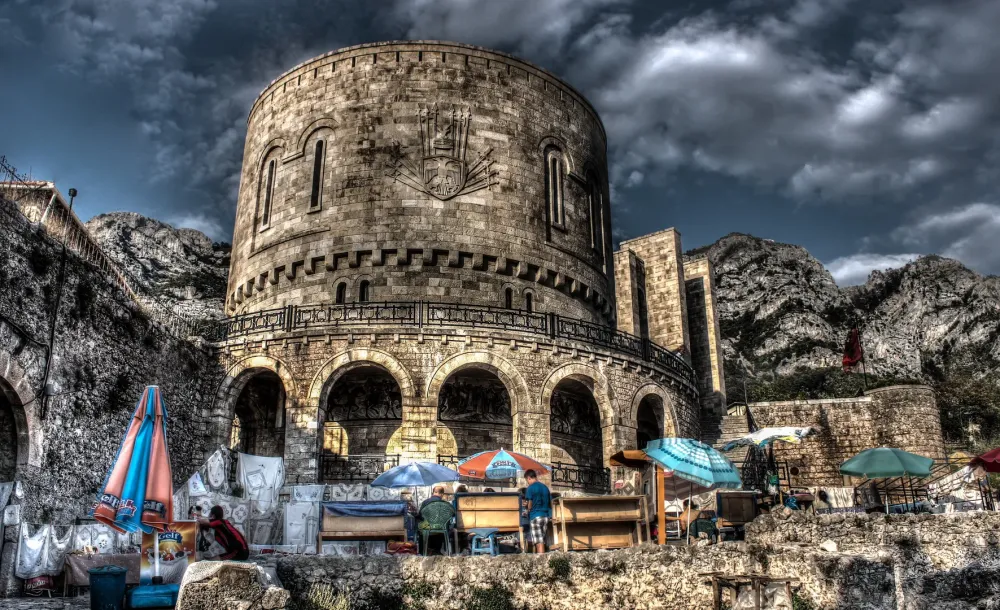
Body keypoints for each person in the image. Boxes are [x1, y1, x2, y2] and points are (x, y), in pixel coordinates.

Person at [523, 470, 551, 553]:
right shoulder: (545, 487)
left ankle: (541, 562)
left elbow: (530, 504)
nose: (527, 482)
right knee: (543, 540)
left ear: (529, 478)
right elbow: (550, 503)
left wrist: (526, 506)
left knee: (539, 542)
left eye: (527, 480)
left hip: (535, 517)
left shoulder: (530, 488)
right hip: (546, 516)